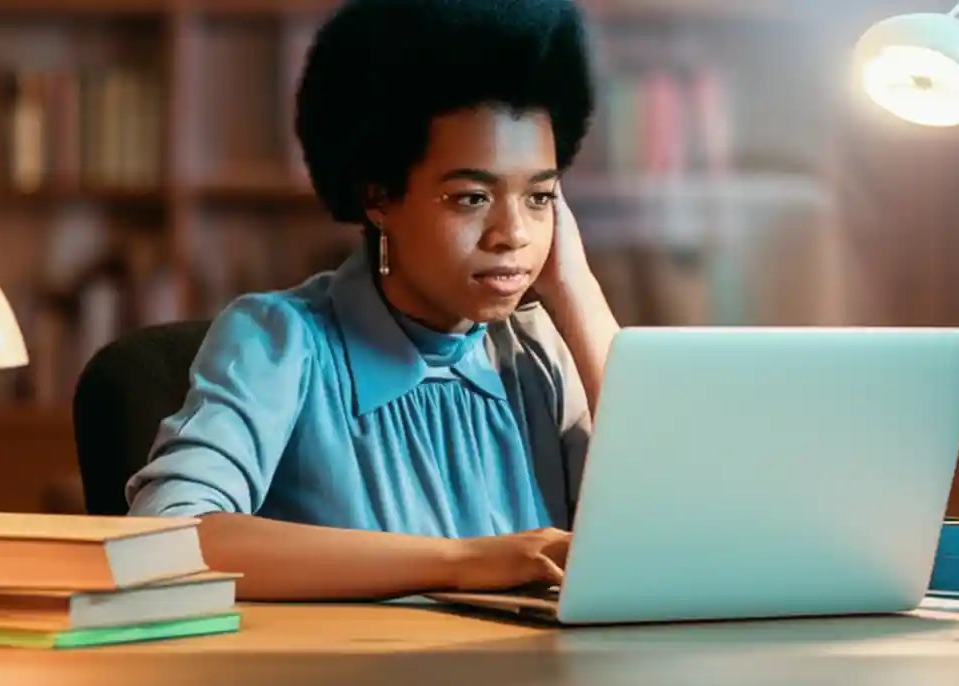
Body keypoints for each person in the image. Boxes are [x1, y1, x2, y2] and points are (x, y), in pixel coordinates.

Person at [126, 0, 620, 600]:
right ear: (379, 196)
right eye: (471, 198)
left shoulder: (538, 352)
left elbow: (679, 533)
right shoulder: (282, 341)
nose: (512, 234)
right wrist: (460, 562)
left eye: (539, 198)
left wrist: (578, 293)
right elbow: (166, 539)